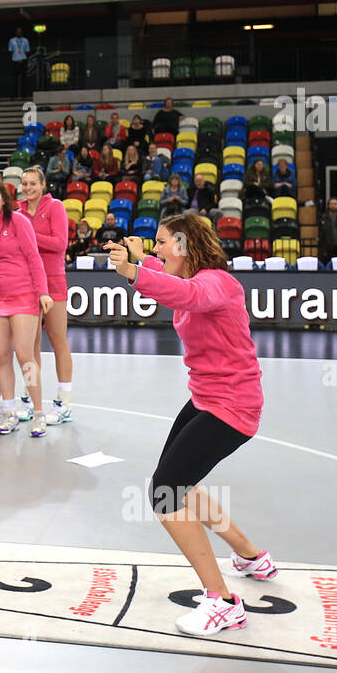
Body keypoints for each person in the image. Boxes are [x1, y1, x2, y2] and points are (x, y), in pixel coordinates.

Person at [103, 213, 272, 637]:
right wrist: (143, 263)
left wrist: (133, 271)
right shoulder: (195, 277)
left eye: (161, 242)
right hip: (205, 398)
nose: (156, 249)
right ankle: (251, 557)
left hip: (231, 407)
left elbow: (189, 294)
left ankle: (224, 602)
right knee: (181, 484)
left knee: (165, 492)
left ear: (183, 244)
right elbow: (175, 284)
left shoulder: (217, 283)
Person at [0, 176, 53, 437]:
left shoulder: (19, 221)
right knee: (0, 355)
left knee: (25, 356)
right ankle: (9, 413)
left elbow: (34, 258)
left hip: (24, 296)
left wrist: (43, 293)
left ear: (2, 199)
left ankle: (38, 413)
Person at [18, 168, 75, 425]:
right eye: (24, 183)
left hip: (53, 281)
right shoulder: (17, 213)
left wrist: (27, 233)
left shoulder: (55, 207)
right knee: (29, 347)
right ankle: (31, 399)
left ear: (42, 185)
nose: (28, 187)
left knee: (57, 340)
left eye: (32, 183)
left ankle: (64, 402)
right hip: (25, 283)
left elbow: (60, 244)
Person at [9, 27, 30, 98]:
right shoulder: (12, 40)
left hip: (23, 61)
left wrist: (24, 59)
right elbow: (10, 51)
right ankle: (13, 95)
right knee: (14, 80)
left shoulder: (25, 40)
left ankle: (23, 95)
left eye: (20, 31)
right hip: (15, 61)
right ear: (16, 32)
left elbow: (27, 51)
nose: (19, 33)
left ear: (22, 33)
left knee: (24, 79)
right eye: (17, 31)